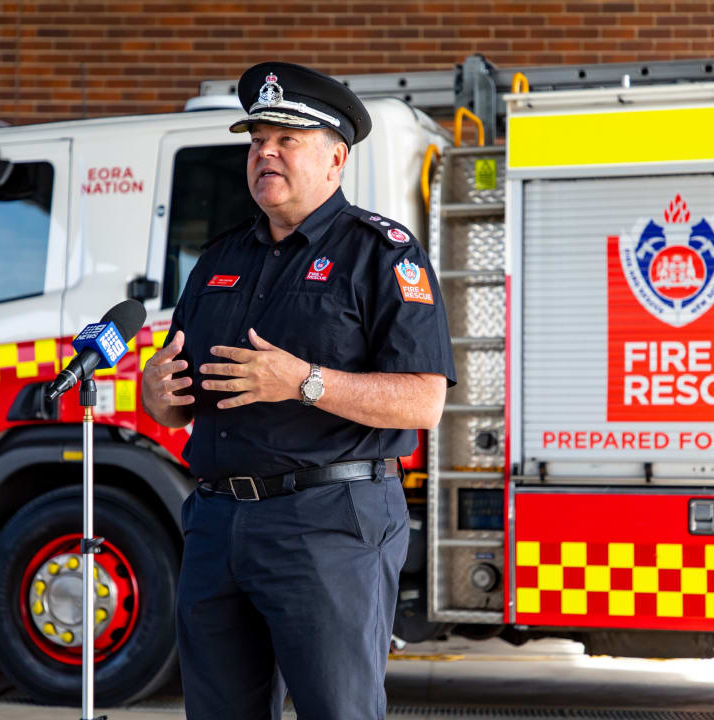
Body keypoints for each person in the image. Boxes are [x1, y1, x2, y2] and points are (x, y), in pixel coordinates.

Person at [141, 62, 456, 720]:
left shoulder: (383, 254)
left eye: (286, 139)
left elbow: (422, 401)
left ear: (336, 158)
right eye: (257, 140)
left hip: (328, 523)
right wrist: (158, 395)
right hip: (217, 522)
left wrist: (304, 382)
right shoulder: (219, 259)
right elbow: (178, 401)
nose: (266, 153)